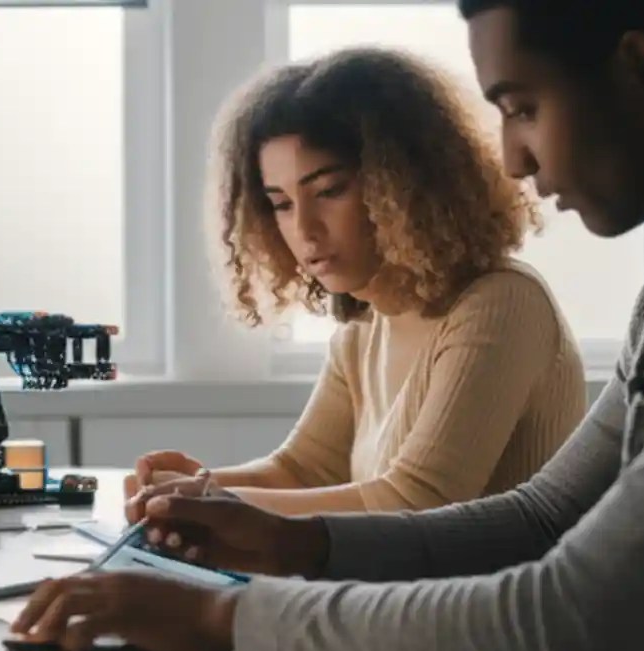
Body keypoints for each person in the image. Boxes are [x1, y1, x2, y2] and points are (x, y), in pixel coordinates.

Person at [12, 1, 644, 651]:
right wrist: (297, 544)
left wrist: (223, 620)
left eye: (523, 108)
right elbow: (545, 516)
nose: (514, 160)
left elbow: (567, 627)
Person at [128, 48, 585, 517]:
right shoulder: (363, 322)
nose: (304, 230)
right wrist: (190, 486)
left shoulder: (501, 304)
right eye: (281, 204)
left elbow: (415, 504)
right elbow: (302, 471)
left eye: (328, 191)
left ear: (407, 185)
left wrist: (207, 504)